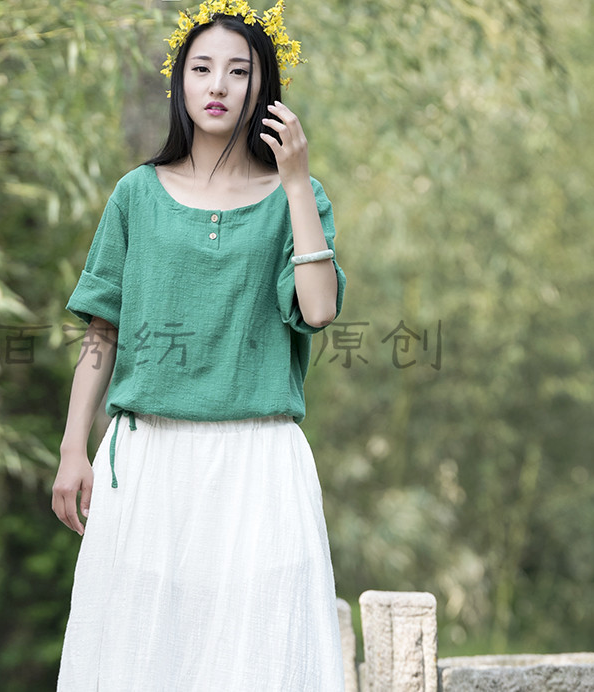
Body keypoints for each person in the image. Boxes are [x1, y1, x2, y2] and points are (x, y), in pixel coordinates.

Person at [52, 1, 347, 689]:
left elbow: (320, 309)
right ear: (179, 82)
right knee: (137, 659)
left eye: (239, 72)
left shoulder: (298, 198)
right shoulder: (135, 195)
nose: (218, 86)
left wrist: (296, 181)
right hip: (147, 460)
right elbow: (102, 332)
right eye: (201, 68)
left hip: (259, 462)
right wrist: (71, 449)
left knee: (259, 660)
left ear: (264, 87)